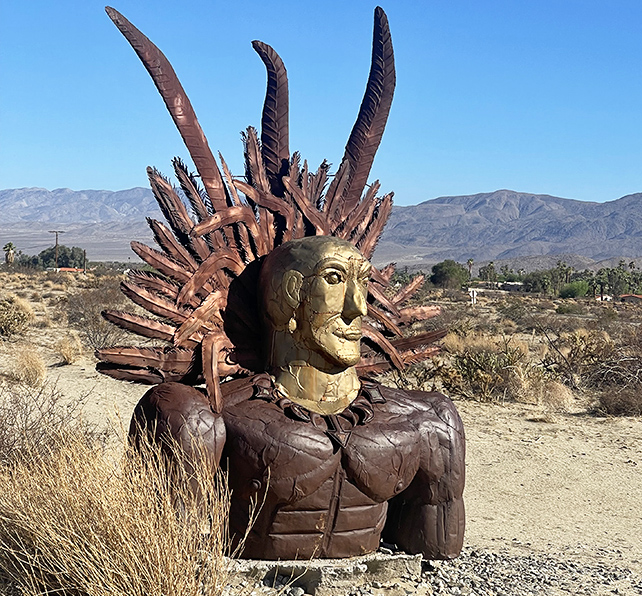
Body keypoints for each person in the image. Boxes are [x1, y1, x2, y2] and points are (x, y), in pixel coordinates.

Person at [131, 236, 466, 560]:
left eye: (362, 282)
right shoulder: (209, 416)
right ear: (290, 294)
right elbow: (166, 555)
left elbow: (436, 551)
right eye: (334, 279)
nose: (358, 307)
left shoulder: (425, 420)